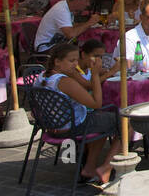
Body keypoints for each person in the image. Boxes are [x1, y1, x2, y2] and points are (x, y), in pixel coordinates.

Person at [34, 42, 122, 187]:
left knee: (102, 121)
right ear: (57, 62)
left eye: (76, 60)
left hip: (51, 126)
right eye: (71, 61)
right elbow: (96, 103)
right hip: (73, 127)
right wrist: (94, 75)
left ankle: (89, 168)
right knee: (126, 121)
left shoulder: (42, 76)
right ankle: (107, 167)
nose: (75, 65)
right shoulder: (64, 81)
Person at [34, 0, 106, 51]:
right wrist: (89, 23)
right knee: (84, 51)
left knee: (86, 48)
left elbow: (71, 27)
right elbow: (71, 34)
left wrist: (89, 24)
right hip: (46, 48)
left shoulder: (66, 7)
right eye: (86, 1)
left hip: (55, 45)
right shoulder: (62, 10)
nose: (88, 4)